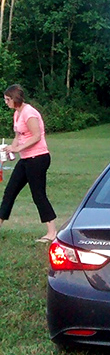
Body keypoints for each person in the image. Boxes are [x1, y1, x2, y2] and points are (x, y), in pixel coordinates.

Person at [0, 85, 57, 242]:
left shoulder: (29, 113)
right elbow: (18, 136)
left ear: (15, 98)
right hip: (26, 159)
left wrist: (17, 148)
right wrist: (9, 150)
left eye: (7, 99)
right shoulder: (17, 114)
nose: (6, 102)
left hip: (38, 158)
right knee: (10, 191)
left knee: (38, 195)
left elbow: (36, 136)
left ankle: (52, 233)